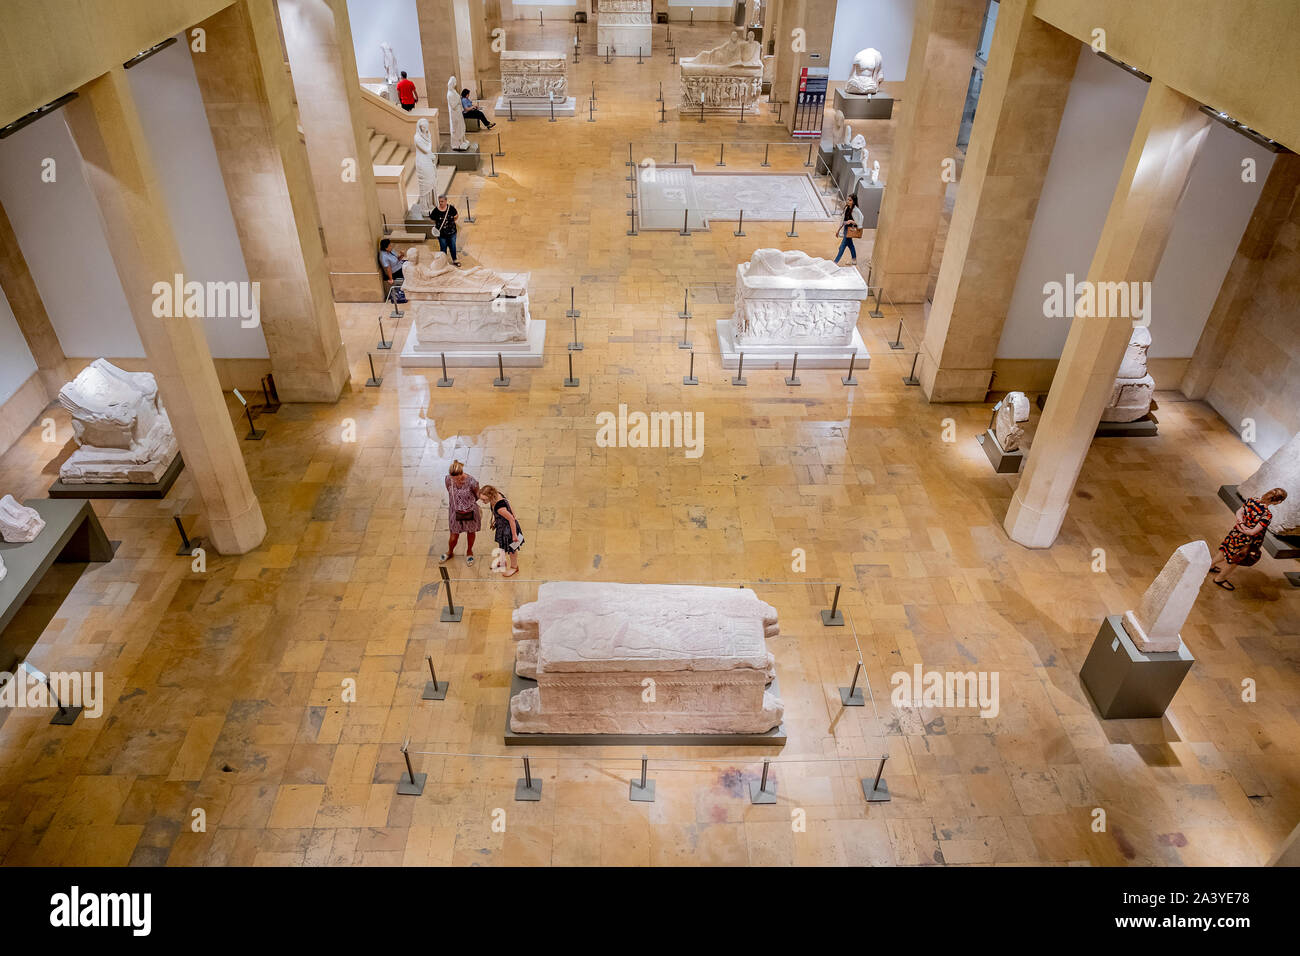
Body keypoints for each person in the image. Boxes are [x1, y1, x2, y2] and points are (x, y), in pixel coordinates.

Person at [1210, 487, 1288, 590]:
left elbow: (1239, 512)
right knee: (1235, 560)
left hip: (1235, 533)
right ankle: (1219, 579)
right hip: (1246, 541)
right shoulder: (1266, 515)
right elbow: (1252, 532)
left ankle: (1210, 566)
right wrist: (1243, 529)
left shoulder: (1252, 500)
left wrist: (1240, 524)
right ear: (1277, 501)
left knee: (1224, 550)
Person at [440, 460, 481, 564]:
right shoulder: (448, 480)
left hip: (470, 511)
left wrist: (467, 505)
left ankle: (469, 552)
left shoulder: (472, 482)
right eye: (453, 478)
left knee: (470, 532)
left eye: (457, 478)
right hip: (455, 512)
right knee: (453, 536)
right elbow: (450, 493)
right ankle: (450, 552)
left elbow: (477, 496)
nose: (455, 480)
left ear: (461, 473)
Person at [479, 484, 523, 577]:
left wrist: (514, 535)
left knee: (512, 549)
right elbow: (508, 502)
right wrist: (497, 519)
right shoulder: (497, 494)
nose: (482, 501)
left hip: (510, 529)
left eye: (484, 499)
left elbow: (511, 519)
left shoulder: (500, 509)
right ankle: (502, 562)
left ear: (490, 496)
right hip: (502, 527)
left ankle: (514, 567)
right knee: (502, 545)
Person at [431, 194, 460, 266]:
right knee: (443, 248)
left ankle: (455, 259)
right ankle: (444, 262)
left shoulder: (451, 208)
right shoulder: (436, 210)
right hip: (441, 234)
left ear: (446, 201)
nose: (440, 203)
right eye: (439, 201)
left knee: (452, 246)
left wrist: (451, 222)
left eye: (442, 201)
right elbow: (432, 219)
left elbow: (456, 216)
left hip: (452, 232)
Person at [833, 195, 859, 266]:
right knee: (850, 245)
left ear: (854, 202)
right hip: (845, 229)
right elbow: (843, 220)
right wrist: (838, 230)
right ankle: (854, 260)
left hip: (850, 230)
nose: (848, 201)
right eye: (848, 199)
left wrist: (851, 221)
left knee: (842, 246)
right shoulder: (847, 208)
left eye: (850, 200)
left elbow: (859, 222)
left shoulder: (856, 211)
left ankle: (835, 262)